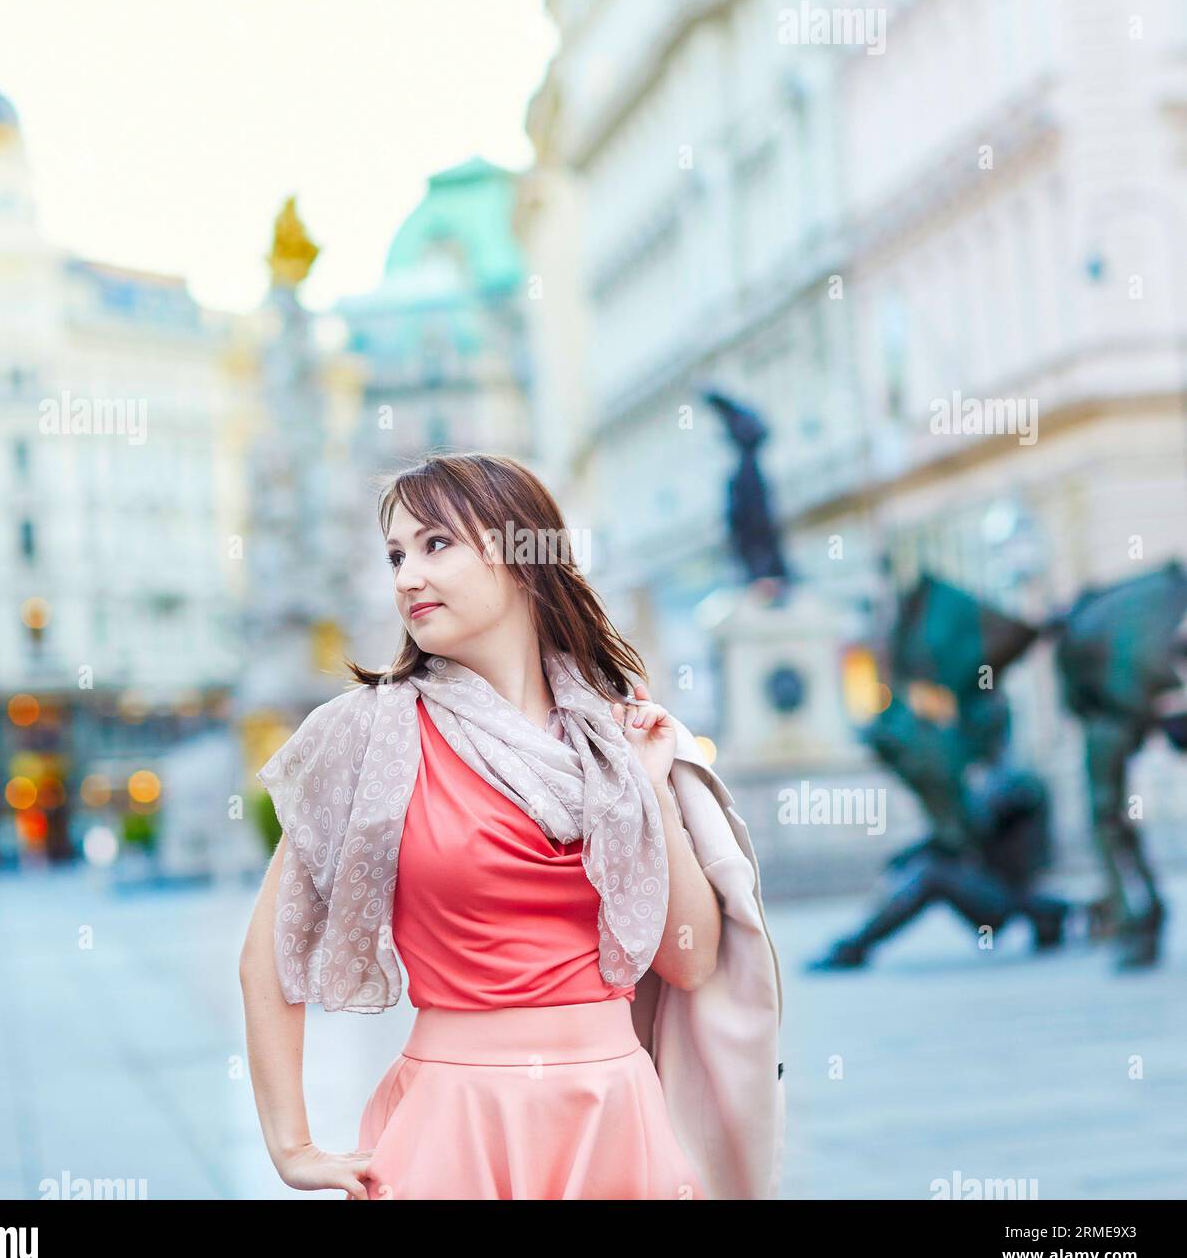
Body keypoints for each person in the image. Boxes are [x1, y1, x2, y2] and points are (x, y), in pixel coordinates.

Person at [240, 452, 745, 1200]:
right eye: (395, 555)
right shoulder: (371, 733)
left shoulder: (614, 738)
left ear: (522, 555)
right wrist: (292, 1145)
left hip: (614, 1115)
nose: (407, 576)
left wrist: (650, 794)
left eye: (435, 544)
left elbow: (693, 959)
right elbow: (269, 956)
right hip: (455, 1122)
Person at [810, 692, 1069, 969]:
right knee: (919, 866)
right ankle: (856, 944)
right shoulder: (988, 775)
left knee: (930, 875)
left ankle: (856, 947)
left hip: (1006, 895)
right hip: (998, 888)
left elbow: (974, 827)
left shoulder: (1012, 779)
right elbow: (963, 834)